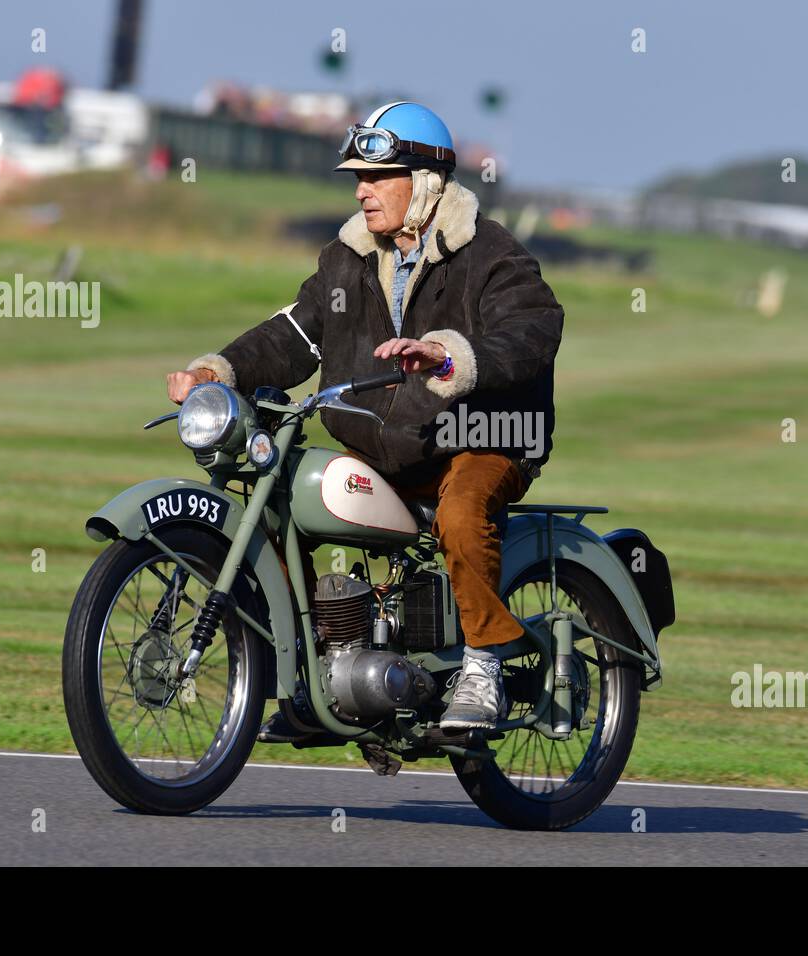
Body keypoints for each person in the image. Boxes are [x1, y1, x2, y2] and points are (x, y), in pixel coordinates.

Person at [165, 101, 564, 732]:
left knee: (462, 511)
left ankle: (485, 664)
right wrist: (221, 371)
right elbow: (296, 335)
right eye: (358, 178)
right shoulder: (346, 258)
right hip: (390, 443)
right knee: (282, 496)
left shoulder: (490, 253)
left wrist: (448, 355)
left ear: (427, 184)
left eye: (378, 177)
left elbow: (534, 330)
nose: (362, 190)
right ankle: (313, 678)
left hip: (479, 437)